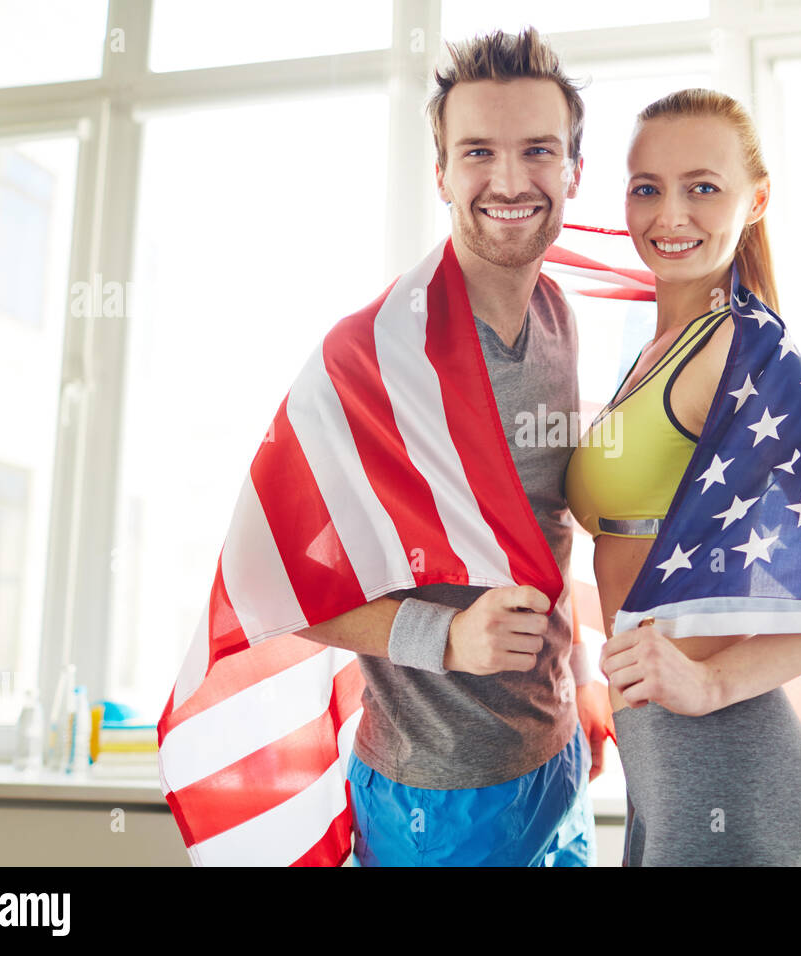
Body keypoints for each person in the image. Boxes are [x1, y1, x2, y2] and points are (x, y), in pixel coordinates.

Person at [293, 27, 613, 867]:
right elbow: (281, 590)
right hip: (435, 799)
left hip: (557, 764)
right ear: (440, 174)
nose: (510, 180)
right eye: (478, 152)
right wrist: (446, 641)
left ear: (574, 170)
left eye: (538, 149)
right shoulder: (369, 355)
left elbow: (544, 530)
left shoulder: (560, 320)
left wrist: (582, 681)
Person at [565, 89, 801, 866]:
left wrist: (704, 687)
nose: (670, 215)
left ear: (755, 199)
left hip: (726, 757)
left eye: (702, 187)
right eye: (647, 188)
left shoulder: (745, 347)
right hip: (658, 746)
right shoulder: (659, 347)